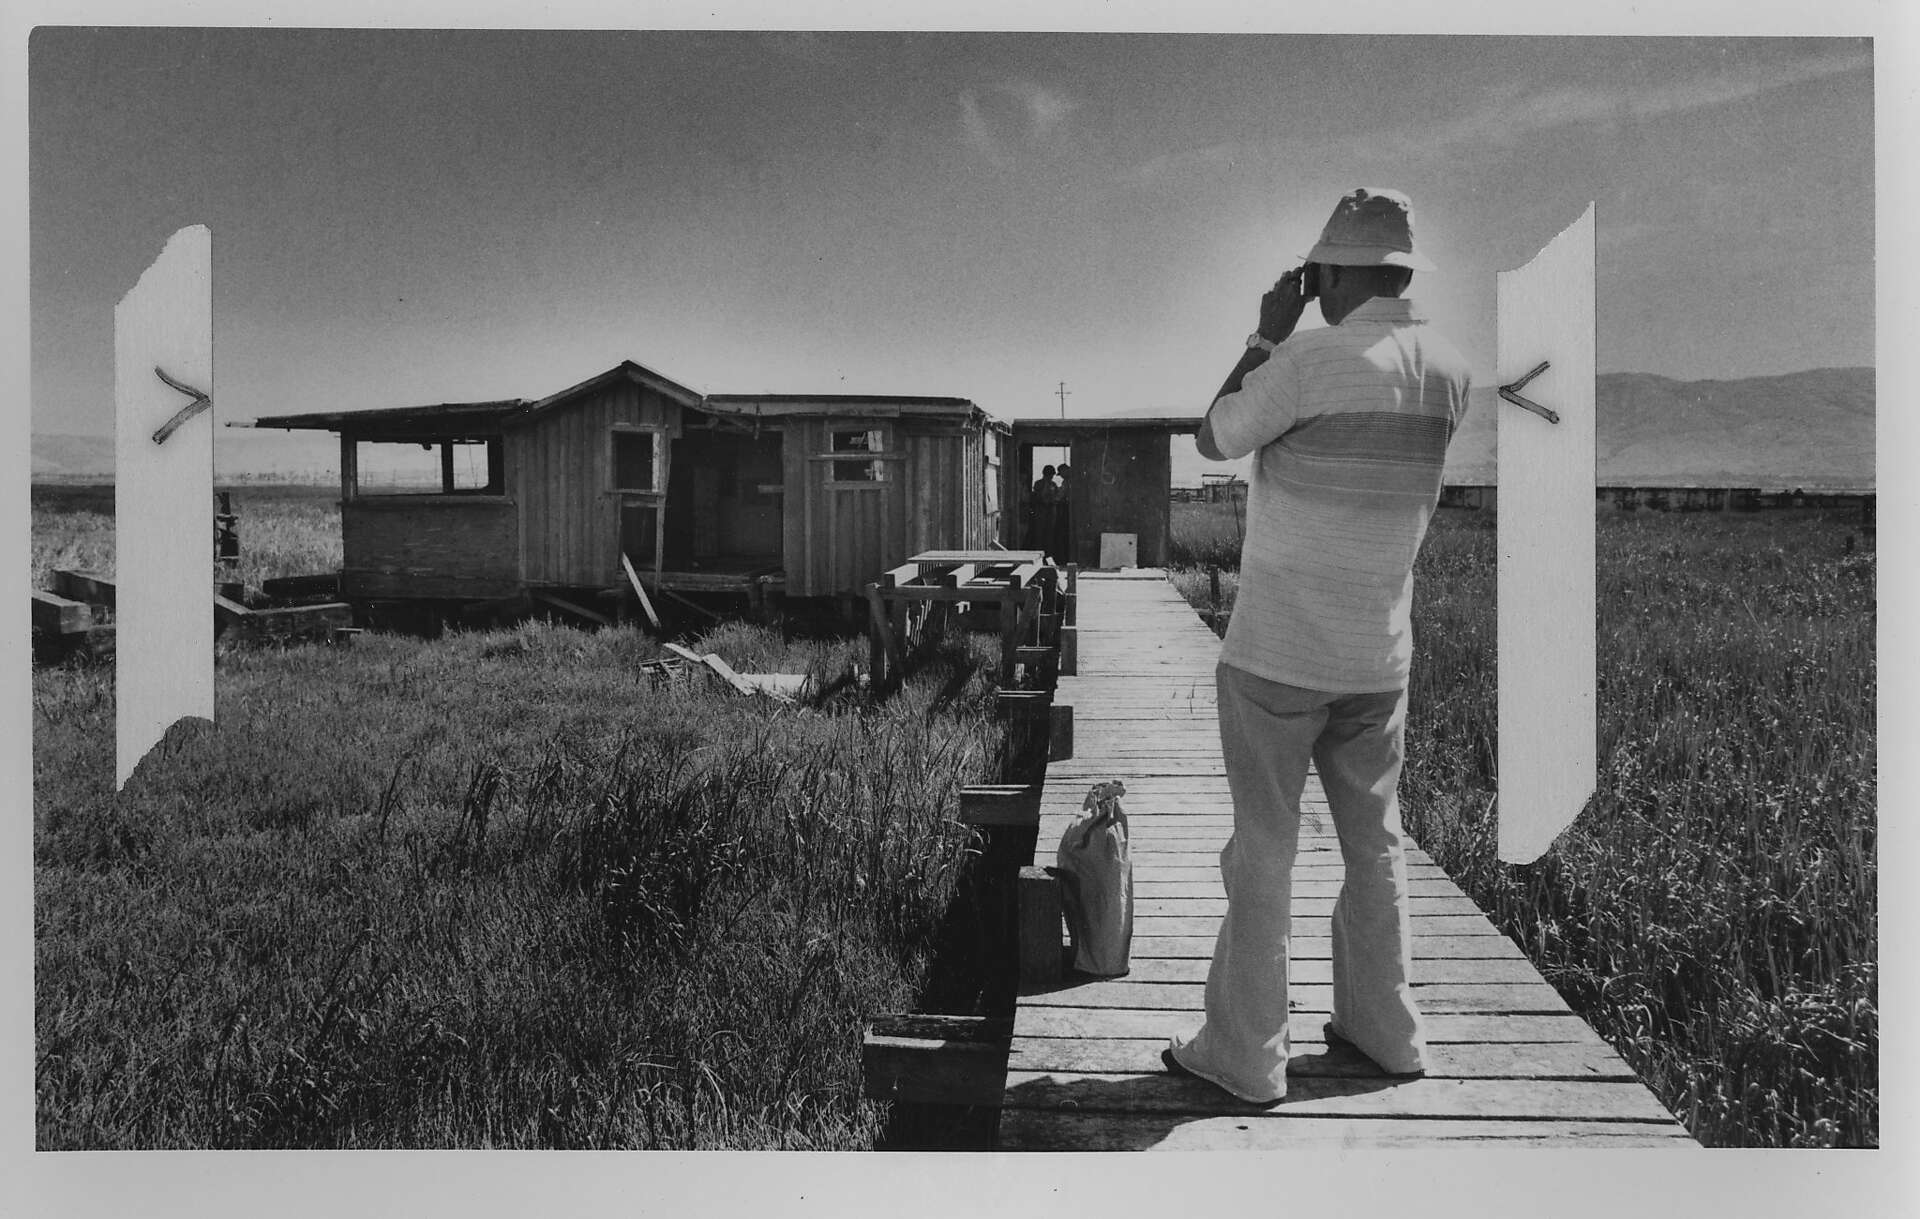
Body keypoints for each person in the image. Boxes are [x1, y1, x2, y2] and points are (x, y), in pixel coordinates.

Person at [1163, 187, 1473, 1105]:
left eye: (1317, 272)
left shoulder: (1303, 360)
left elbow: (1212, 437)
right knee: (1374, 845)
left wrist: (1264, 334)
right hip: (1376, 658)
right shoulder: (1450, 371)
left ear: (1332, 269)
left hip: (1277, 656)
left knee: (1264, 849)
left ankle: (1246, 1054)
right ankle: (1386, 1030)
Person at [1027, 464, 1060, 552]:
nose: (1051, 477)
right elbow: (1037, 496)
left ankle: (1049, 555)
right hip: (1041, 511)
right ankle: (1039, 554)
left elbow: (1057, 496)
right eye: (1050, 475)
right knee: (1039, 534)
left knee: (1050, 534)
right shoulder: (1038, 484)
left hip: (1051, 511)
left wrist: (1053, 500)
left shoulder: (1053, 484)